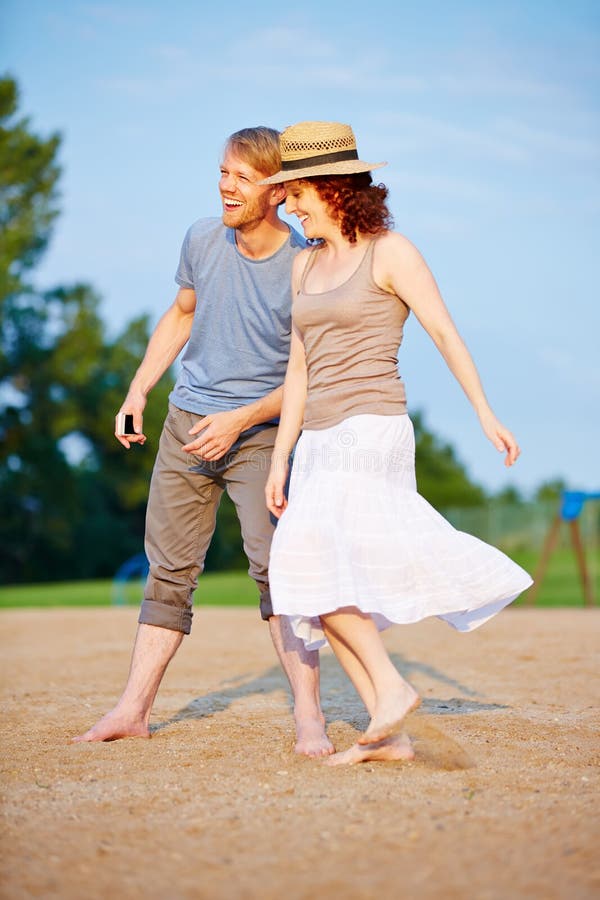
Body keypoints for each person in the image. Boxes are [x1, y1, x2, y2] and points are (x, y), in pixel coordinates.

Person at [263, 121, 533, 766]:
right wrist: (281, 457)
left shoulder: (391, 253)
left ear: (328, 186)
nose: (288, 206)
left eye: (294, 192)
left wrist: (485, 413)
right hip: (320, 437)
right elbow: (298, 368)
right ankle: (392, 737)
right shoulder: (303, 263)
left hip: (373, 426)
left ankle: (390, 686)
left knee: (304, 568)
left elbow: (443, 332)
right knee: (316, 583)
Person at [73, 126, 333, 757]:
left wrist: (242, 421)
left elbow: (309, 373)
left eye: (242, 178)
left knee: (280, 573)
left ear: (276, 191)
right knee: (168, 570)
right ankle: (133, 710)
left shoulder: (303, 264)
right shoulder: (200, 238)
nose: (226, 186)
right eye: (223, 172)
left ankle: (309, 718)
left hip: (260, 435)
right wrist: (138, 389)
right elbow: (183, 312)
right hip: (187, 424)